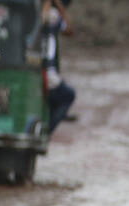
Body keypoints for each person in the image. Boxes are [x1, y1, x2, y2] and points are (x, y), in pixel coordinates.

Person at [41, 0, 76, 133]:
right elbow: (69, 30)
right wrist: (58, 6)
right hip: (45, 71)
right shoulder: (52, 14)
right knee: (68, 96)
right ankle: (45, 132)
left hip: (37, 68)